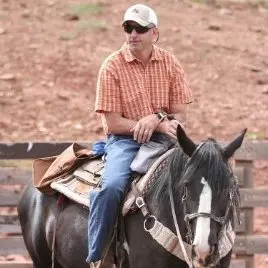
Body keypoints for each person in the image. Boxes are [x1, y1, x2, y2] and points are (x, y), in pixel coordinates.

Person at [87, 3, 193, 268]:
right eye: (128, 28)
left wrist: (157, 119)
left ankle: (205, 246)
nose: (133, 34)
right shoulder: (111, 66)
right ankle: (98, 254)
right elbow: (112, 123)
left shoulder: (170, 62)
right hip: (125, 141)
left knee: (203, 177)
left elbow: (181, 116)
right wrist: (154, 124)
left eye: (140, 29)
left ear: (154, 33)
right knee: (111, 187)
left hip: (167, 138)